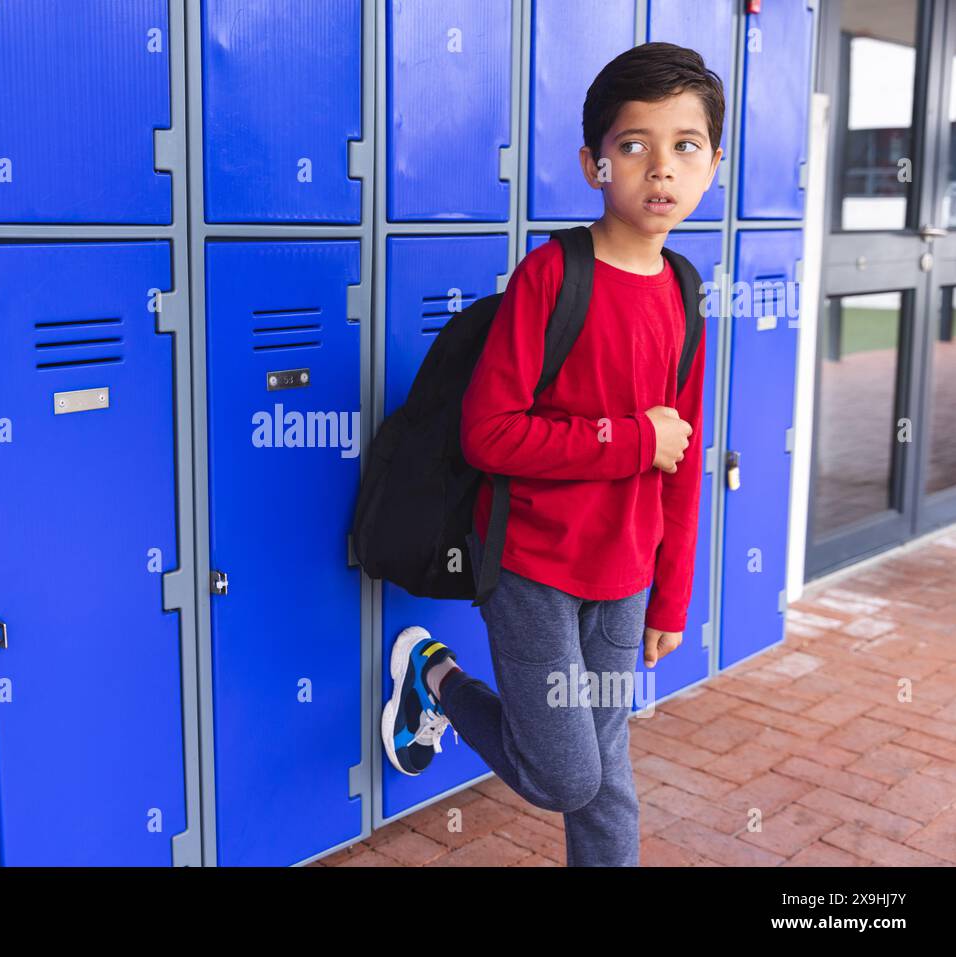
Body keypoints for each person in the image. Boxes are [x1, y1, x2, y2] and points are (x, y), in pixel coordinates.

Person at [380, 42, 724, 866]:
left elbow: (683, 464)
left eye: (686, 145)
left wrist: (672, 598)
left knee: (607, 774)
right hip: (534, 564)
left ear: (715, 161)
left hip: (627, 574)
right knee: (565, 774)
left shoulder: (683, 290)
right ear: (593, 163)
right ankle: (436, 677)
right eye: (633, 145)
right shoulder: (552, 274)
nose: (661, 169)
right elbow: (489, 433)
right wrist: (633, 438)